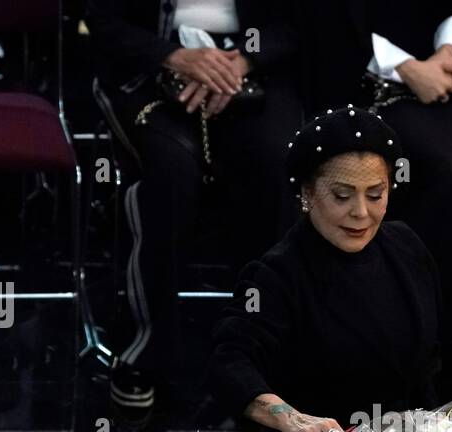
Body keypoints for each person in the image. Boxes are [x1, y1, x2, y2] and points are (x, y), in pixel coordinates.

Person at [87, 0, 303, 410]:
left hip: (251, 64)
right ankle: (142, 348)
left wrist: (241, 61)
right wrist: (174, 56)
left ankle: (262, 342)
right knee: (166, 174)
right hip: (148, 61)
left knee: (278, 161)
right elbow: (101, 19)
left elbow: (300, 21)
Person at [209, 106, 441, 432]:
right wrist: (292, 419)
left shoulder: (406, 248)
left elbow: (431, 363)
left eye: (375, 194)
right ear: (307, 193)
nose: (361, 213)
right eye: (342, 196)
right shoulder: (276, 274)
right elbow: (229, 361)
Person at [297, 2, 452, 390]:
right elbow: (324, 24)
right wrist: (405, 67)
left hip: (442, 79)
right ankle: (407, 328)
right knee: (444, 167)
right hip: (358, 78)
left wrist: (448, 53)